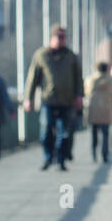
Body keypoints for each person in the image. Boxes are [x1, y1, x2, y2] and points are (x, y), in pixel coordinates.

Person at [24, 26, 83, 171]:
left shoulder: (71, 56)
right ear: (51, 38)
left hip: (67, 100)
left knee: (64, 132)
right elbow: (33, 78)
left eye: (63, 37)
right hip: (48, 100)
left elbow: (78, 79)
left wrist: (79, 96)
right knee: (46, 130)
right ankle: (48, 157)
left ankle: (61, 160)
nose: (62, 39)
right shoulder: (41, 55)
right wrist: (28, 98)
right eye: (59, 36)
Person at [84, 62, 112, 163]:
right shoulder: (110, 80)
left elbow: (87, 92)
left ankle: (94, 153)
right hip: (106, 109)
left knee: (94, 134)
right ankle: (104, 154)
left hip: (93, 109)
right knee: (105, 134)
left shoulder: (90, 79)